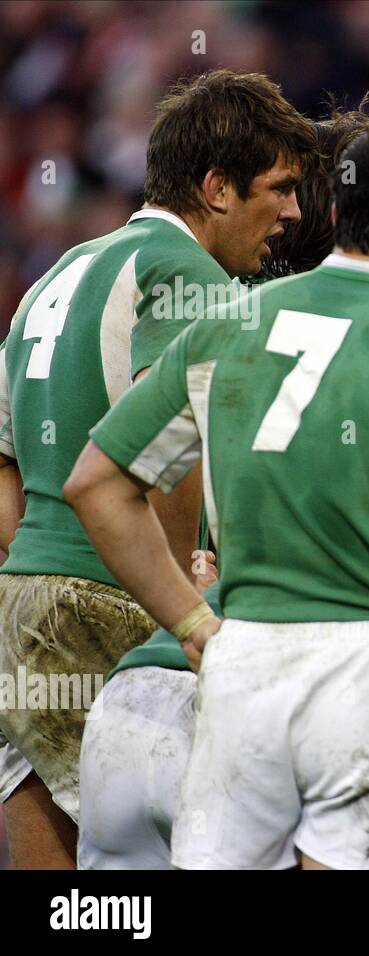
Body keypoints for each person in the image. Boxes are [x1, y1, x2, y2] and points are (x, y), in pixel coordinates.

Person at [64, 120, 369, 870]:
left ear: (339, 214)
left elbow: (96, 481)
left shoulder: (227, 323)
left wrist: (190, 621)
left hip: (243, 663)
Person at [0, 69, 315, 869]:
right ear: (216, 187)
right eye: (278, 189)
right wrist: (185, 595)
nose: (292, 213)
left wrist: (33, 570)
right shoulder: (192, 279)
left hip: (20, 603)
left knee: (65, 896)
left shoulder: (52, 277)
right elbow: (160, 438)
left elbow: (3, 468)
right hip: (119, 602)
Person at [75, 107, 369, 869]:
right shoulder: (366, 362)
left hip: (120, 701)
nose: (284, 210)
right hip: (228, 702)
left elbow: (95, 476)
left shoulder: (198, 316)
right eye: (278, 192)